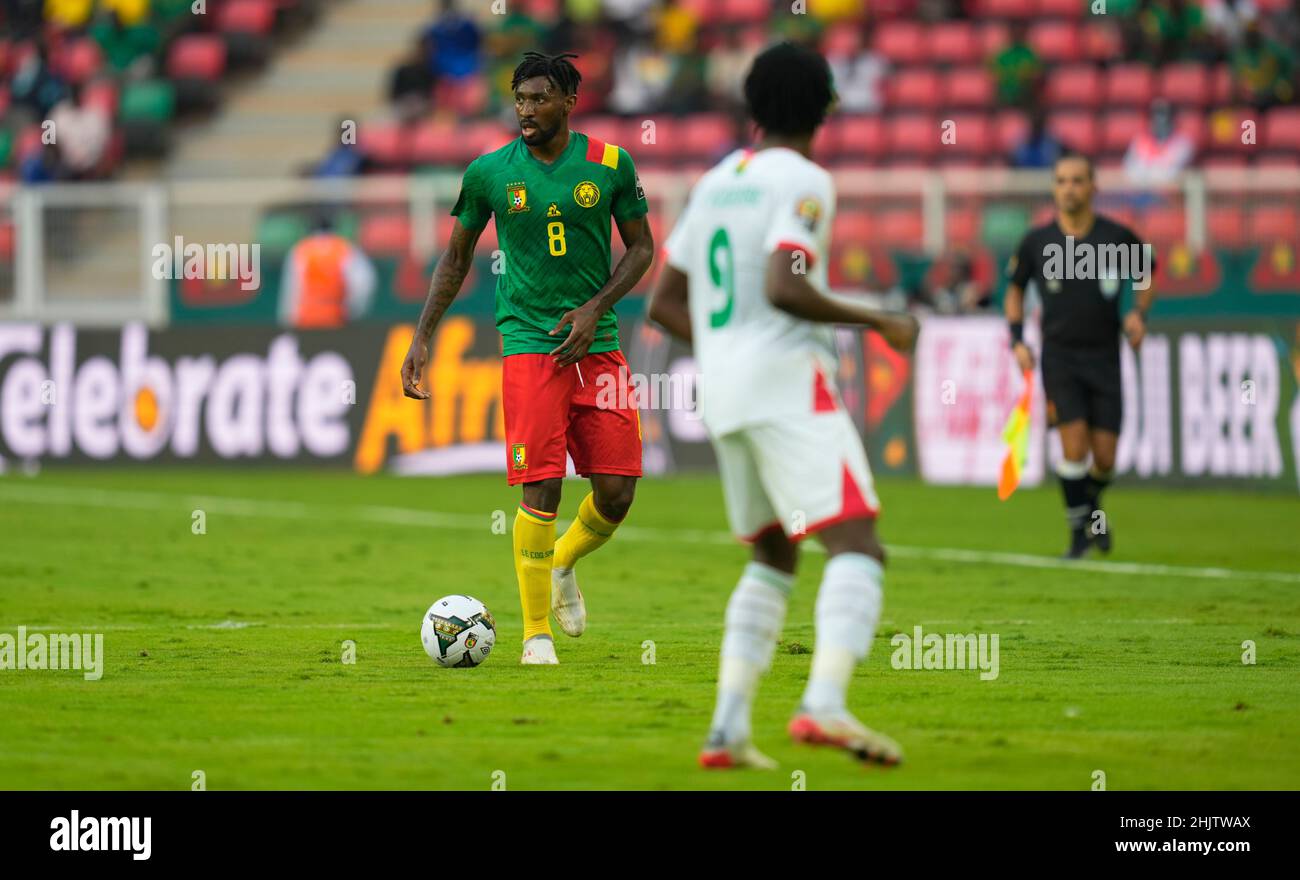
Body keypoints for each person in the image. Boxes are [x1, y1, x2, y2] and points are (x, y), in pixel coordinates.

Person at [648, 41, 918, 769]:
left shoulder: (716, 182)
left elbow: (664, 303)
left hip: (724, 390)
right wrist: (882, 319)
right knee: (859, 544)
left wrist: (726, 346)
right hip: (785, 380)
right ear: (827, 108)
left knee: (773, 553)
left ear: (752, 108)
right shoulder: (806, 181)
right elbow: (784, 286)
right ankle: (823, 704)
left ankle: (727, 729)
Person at [401, 52, 654, 665]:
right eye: (519, 99)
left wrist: (596, 306)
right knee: (541, 487)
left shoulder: (611, 164)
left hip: (598, 345)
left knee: (617, 493)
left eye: (540, 98)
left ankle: (563, 562)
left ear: (569, 100)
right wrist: (422, 336)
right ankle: (534, 635)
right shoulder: (490, 172)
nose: (526, 110)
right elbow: (456, 258)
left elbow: (643, 249)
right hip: (528, 343)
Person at [1004, 152, 1157, 559]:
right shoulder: (1037, 242)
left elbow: (1145, 273)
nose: (1068, 188)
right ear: (1054, 188)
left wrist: (1139, 314)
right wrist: (1017, 339)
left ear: (1093, 187)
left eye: (1076, 181)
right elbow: (1015, 290)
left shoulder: (1116, 238)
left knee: (1104, 459)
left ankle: (1089, 511)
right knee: (1074, 449)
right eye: (1061, 181)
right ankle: (1078, 536)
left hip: (1106, 357)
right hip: (1059, 359)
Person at [278, 217, 377, 328]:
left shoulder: (301, 250)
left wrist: (288, 318)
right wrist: (354, 310)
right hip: (336, 318)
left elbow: (292, 289)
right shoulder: (345, 249)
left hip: (306, 319)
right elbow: (363, 285)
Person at [1123, 99, 1194, 188]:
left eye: (1165, 115)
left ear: (1172, 119)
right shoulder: (1140, 140)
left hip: (1170, 192)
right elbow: (1131, 170)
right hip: (1140, 191)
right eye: (1156, 115)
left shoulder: (1182, 142)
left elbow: (1172, 173)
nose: (1160, 121)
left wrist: (1149, 174)